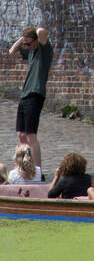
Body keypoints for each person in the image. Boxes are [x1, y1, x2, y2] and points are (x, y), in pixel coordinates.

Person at [9, 24, 52, 173]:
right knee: (21, 134)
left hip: (35, 94)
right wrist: (23, 39)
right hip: (25, 95)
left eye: (28, 44)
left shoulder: (43, 51)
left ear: (36, 40)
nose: (26, 47)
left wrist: (32, 35)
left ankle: (38, 171)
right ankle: (25, 167)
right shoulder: (30, 52)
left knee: (31, 134)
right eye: (25, 44)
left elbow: (41, 31)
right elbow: (12, 51)